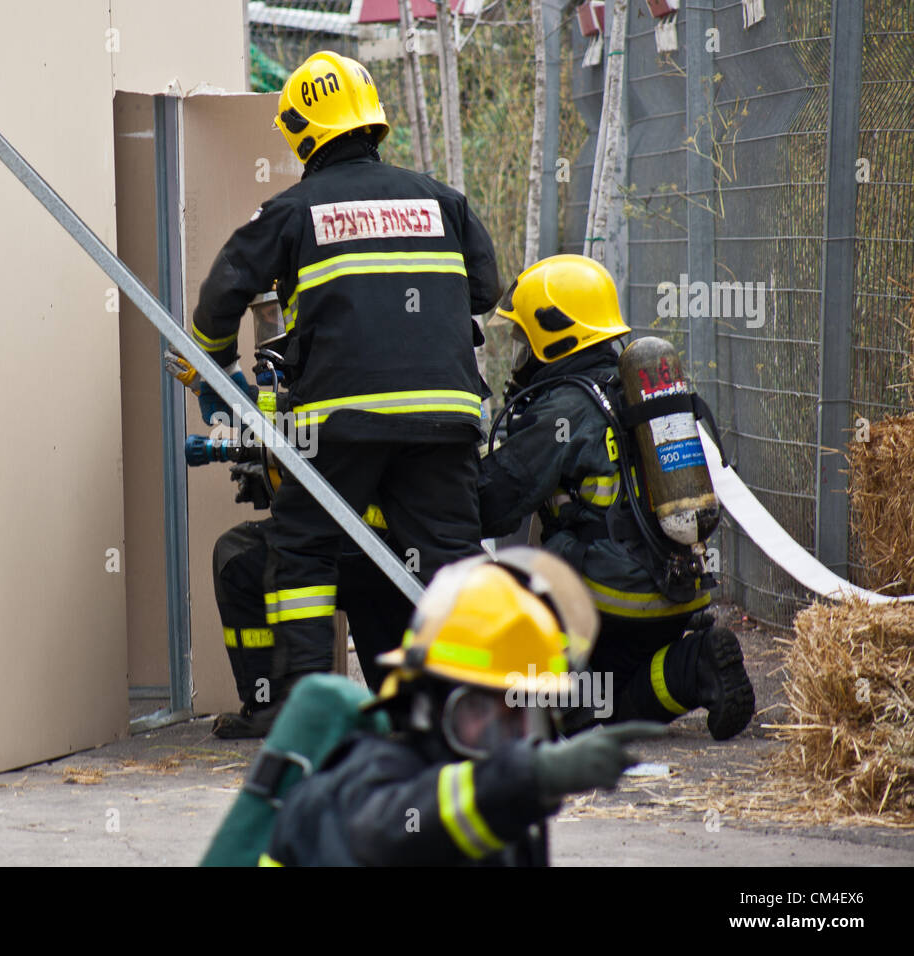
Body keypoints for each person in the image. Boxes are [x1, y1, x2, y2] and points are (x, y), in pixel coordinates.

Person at [190, 50, 502, 720]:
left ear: (304, 131)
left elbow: (219, 297)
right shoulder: (443, 201)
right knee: (451, 558)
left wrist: (215, 369)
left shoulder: (291, 209)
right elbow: (487, 289)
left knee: (305, 548)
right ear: (373, 124)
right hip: (446, 417)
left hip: (340, 424)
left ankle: (307, 710)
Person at [475, 254, 754, 740]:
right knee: (622, 690)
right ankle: (693, 664)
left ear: (555, 334)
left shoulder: (565, 405)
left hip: (613, 598)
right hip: (673, 587)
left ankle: (576, 701)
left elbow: (491, 503)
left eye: (524, 342)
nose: (520, 357)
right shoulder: (635, 388)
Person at [258, 548, 665, 866]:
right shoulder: (358, 786)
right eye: (482, 713)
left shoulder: (499, 813)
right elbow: (394, 829)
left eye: (524, 717)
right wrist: (531, 774)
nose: (510, 743)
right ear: (426, 708)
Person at [210, 506, 413, 738]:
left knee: (243, 556)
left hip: (382, 546)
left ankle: (281, 706)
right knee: (399, 711)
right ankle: (399, 705)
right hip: (401, 548)